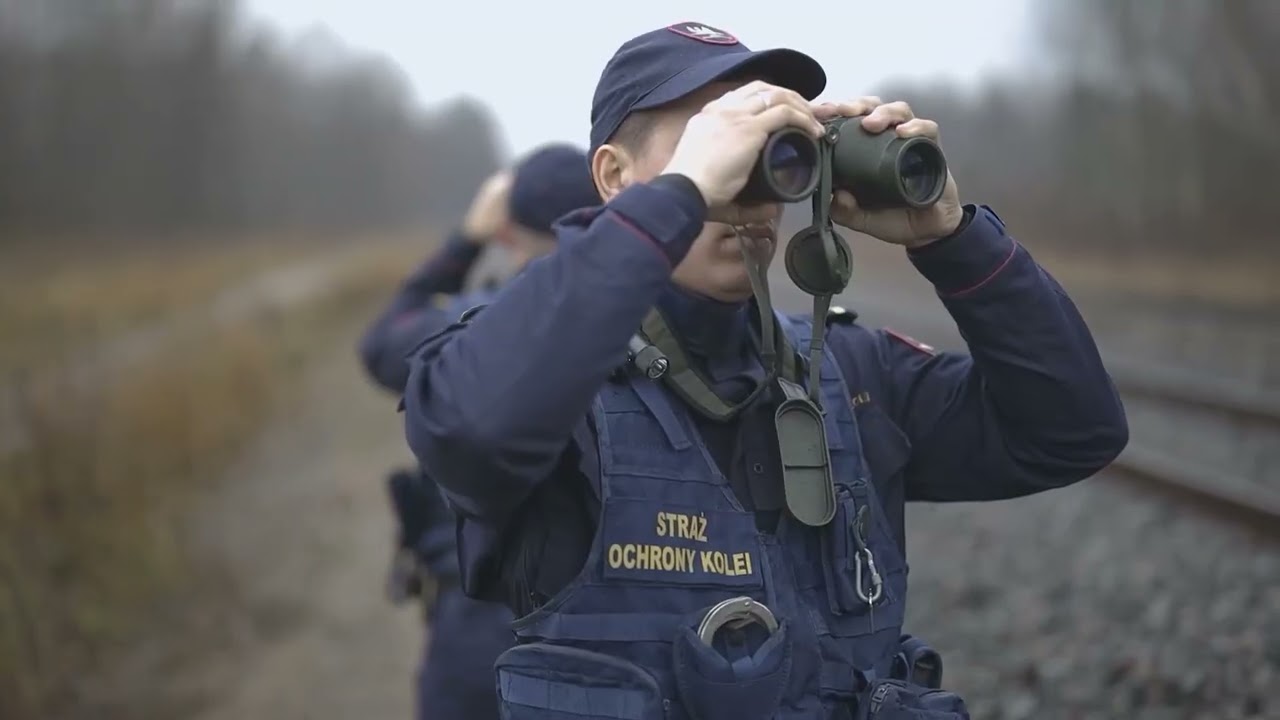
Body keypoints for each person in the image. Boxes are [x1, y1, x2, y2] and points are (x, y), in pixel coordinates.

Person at [401, 22, 1129, 720]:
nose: (746, 187)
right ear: (615, 176)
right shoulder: (549, 383)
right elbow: (468, 430)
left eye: (768, 150)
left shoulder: (850, 371)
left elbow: (1071, 431)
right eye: (715, 141)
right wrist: (680, 198)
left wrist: (953, 239)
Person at [356, 143, 601, 720]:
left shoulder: (466, 331)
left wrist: (466, 240)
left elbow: (383, 339)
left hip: (474, 630)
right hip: (607, 637)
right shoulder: (636, 328)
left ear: (509, 232)